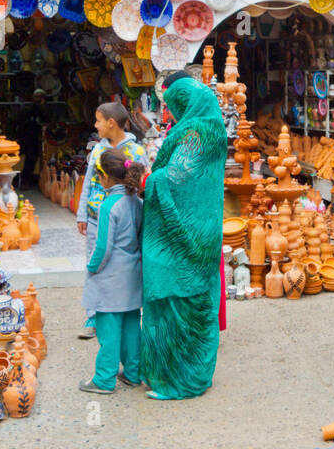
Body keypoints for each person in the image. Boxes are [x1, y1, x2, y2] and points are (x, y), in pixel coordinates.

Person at [137, 75, 225, 400]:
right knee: (188, 302)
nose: (171, 113)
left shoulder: (197, 133)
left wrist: (148, 177)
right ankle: (174, 374)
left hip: (186, 238)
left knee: (181, 303)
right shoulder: (207, 125)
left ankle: (181, 381)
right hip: (201, 230)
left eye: (174, 106)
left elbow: (175, 177)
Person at [75, 102, 149, 340]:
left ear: (111, 123)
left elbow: (144, 185)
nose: (95, 126)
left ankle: (125, 309)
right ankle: (93, 315)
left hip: (126, 216)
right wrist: (82, 214)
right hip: (97, 216)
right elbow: (87, 183)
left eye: (98, 121)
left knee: (125, 263)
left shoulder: (137, 151)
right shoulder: (97, 151)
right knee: (95, 263)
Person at [78, 148, 144, 396]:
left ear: (105, 177)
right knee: (130, 326)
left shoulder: (109, 205)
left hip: (110, 277)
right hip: (132, 274)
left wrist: (92, 268)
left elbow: (103, 247)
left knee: (108, 329)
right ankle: (133, 373)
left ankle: (104, 379)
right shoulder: (137, 202)